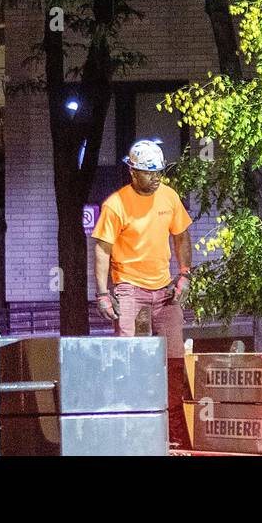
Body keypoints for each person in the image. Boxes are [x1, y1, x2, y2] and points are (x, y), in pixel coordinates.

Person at [92, 138, 193, 446]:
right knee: (130, 358)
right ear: (132, 171)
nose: (156, 178)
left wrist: (184, 275)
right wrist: (102, 294)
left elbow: (181, 238)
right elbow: (102, 250)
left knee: (174, 361)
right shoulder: (116, 205)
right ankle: (131, 428)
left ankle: (175, 430)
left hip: (164, 293)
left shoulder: (169, 198)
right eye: (149, 173)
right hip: (130, 290)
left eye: (159, 171)